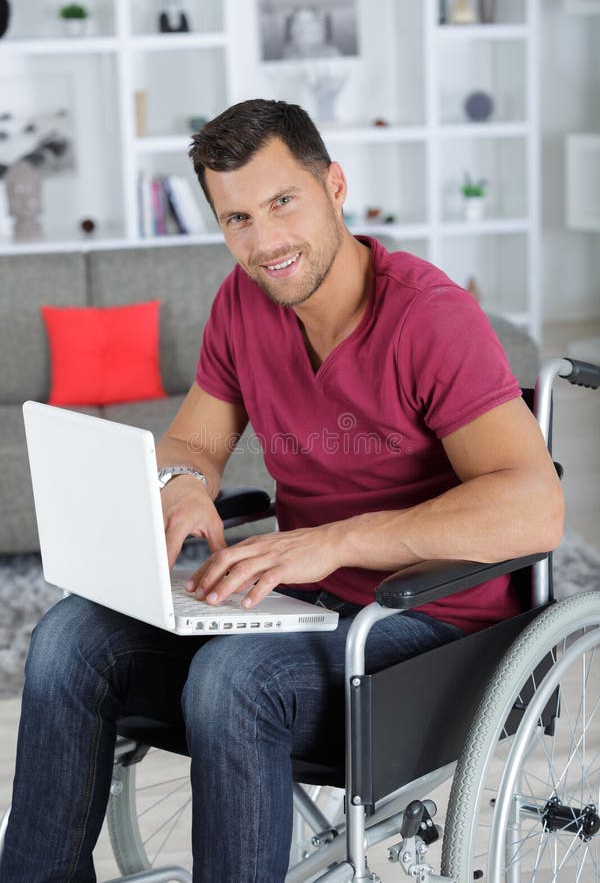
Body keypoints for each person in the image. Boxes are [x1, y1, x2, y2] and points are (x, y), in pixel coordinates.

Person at [0, 99, 564, 882]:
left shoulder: (430, 319)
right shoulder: (243, 304)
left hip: (431, 629)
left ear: (335, 185)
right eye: (237, 219)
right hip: (302, 608)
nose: (265, 243)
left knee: (235, 678)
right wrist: (184, 483)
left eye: (282, 203)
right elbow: (195, 442)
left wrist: (332, 542)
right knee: (67, 639)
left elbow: (534, 507)